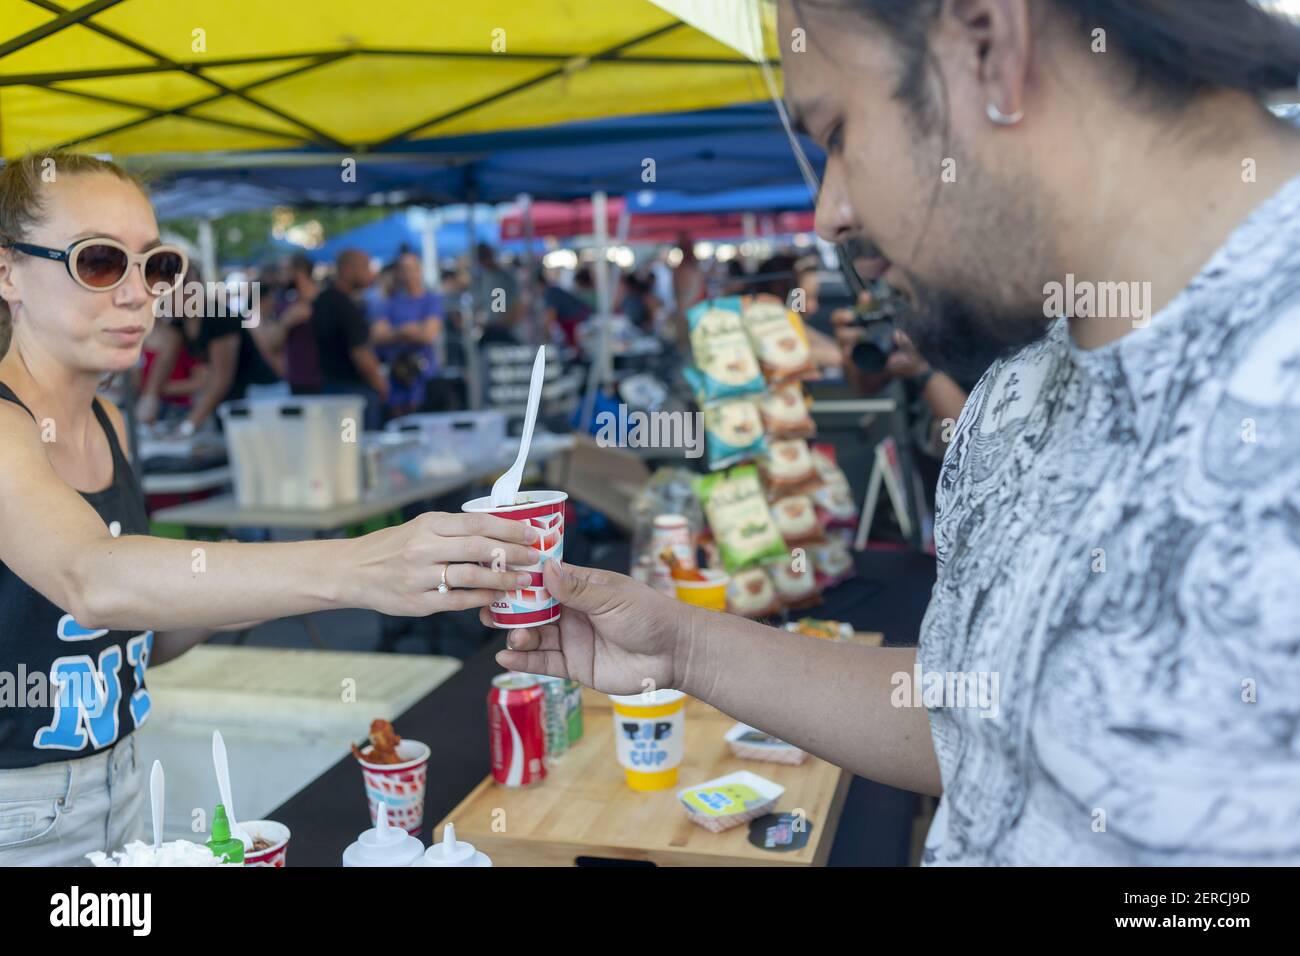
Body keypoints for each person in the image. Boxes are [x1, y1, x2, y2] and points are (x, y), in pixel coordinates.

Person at [491, 0, 1300, 865]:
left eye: (837, 131)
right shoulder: (1019, 384)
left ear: (988, 41)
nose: (828, 214)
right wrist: (684, 644)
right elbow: (976, 721)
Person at [0, 150, 542, 866]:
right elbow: (94, 582)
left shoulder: (110, 421)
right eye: (99, 263)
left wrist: (277, 582)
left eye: (156, 266)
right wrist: (355, 567)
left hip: (124, 785)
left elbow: (146, 639)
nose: (138, 293)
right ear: (8, 272)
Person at [137, 265, 282, 433]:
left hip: (260, 397)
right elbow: (164, 361)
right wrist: (150, 396)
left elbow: (221, 380)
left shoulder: (219, 317)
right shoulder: (181, 322)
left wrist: (189, 425)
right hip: (233, 402)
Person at [311, 248, 388, 429]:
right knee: (355, 447)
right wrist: (380, 384)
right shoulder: (343, 305)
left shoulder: (324, 300)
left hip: (333, 390)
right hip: (353, 395)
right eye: (365, 267)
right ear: (347, 269)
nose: (370, 273)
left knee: (344, 447)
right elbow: (360, 353)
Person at [370, 251, 443, 417]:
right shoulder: (389, 303)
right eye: (403, 269)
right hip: (396, 378)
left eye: (411, 268)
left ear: (419, 270)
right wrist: (407, 331)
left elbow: (428, 334)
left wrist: (395, 333)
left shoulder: (431, 300)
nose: (407, 274)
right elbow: (377, 336)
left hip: (423, 377)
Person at [261, 253, 322, 394]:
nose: (280, 277)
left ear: (299, 273)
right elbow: (272, 344)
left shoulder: (325, 302)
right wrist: (286, 322)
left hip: (325, 382)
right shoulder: (285, 306)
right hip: (297, 382)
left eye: (284, 271)